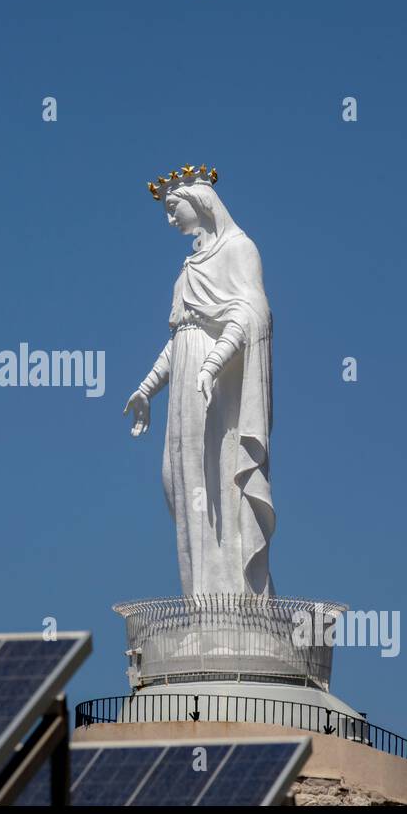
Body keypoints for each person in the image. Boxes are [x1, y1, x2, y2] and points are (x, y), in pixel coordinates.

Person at [125, 165, 276, 597]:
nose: (170, 219)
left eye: (174, 208)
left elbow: (250, 315)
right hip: (186, 387)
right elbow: (179, 337)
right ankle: (201, 597)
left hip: (219, 390)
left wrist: (213, 363)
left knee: (220, 476)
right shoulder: (189, 265)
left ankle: (233, 598)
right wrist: (148, 387)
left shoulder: (240, 250)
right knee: (182, 478)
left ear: (200, 201)